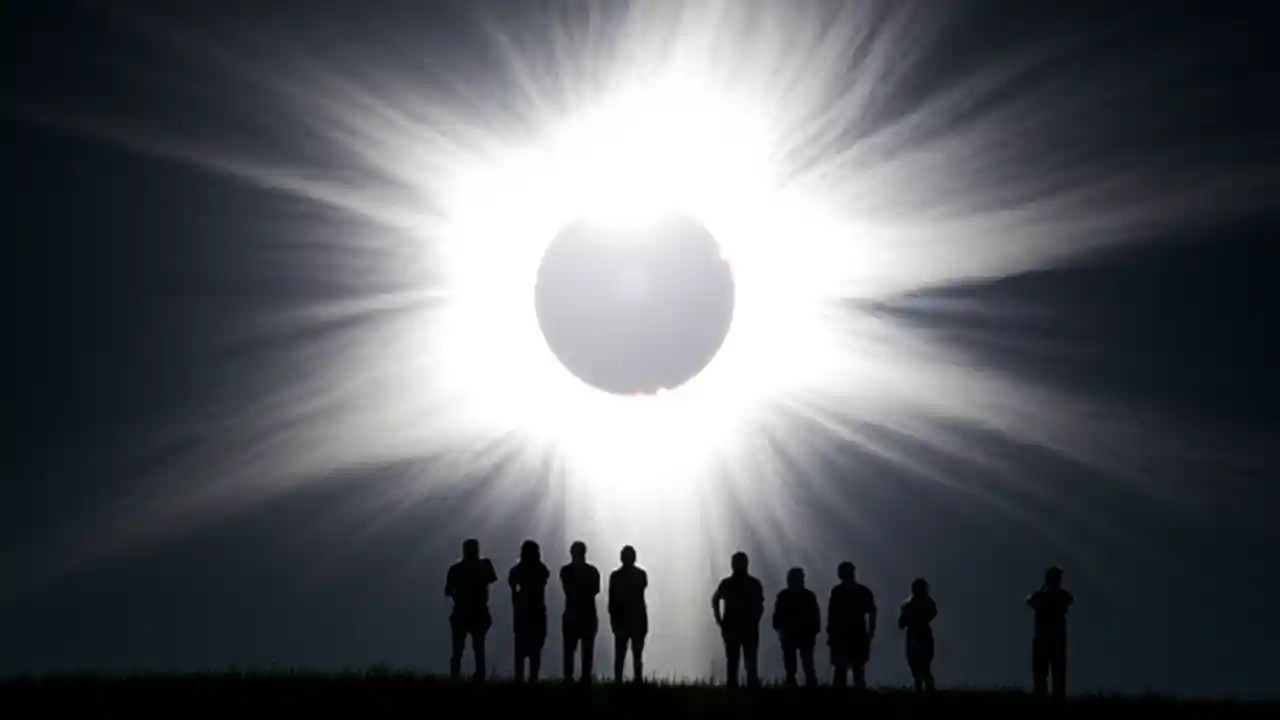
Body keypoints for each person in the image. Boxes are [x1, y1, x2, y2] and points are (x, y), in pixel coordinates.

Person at [444, 538, 498, 681]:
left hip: (474, 611)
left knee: (470, 648)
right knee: (468, 648)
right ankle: (461, 677)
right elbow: (449, 590)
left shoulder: (479, 566)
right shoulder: (460, 569)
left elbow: (448, 590)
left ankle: (466, 677)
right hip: (467, 612)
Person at [711, 551, 765, 688]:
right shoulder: (745, 583)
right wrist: (719, 620)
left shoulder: (749, 583)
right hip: (736, 628)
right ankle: (740, 691)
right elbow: (715, 600)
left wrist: (719, 620)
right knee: (736, 662)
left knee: (744, 663)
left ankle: (743, 691)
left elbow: (760, 605)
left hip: (744, 628)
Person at [1026, 566, 1073, 700]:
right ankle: (1056, 700)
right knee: (1056, 673)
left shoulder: (1040, 595)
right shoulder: (1062, 595)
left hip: (1043, 638)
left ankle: (1042, 699)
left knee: (1042, 674)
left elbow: (1030, 603)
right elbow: (1069, 601)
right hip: (1056, 639)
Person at [827, 561, 877, 688]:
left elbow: (872, 613)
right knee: (842, 671)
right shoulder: (839, 592)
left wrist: (870, 631)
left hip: (855, 635)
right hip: (844, 635)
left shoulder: (861, 592)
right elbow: (832, 615)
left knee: (856, 670)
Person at [509, 539, 550, 683]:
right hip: (534, 613)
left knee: (524, 649)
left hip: (526, 612)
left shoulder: (519, 570)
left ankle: (522, 678)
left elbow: (513, 587)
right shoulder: (540, 569)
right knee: (534, 649)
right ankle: (531, 678)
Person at [560, 540, 601, 684]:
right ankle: (583, 678)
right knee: (584, 650)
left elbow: (569, 590)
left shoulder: (566, 571)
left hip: (575, 615)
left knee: (572, 650)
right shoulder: (592, 571)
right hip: (586, 615)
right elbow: (594, 590)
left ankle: (571, 678)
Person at [772, 567, 821, 687]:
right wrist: (779, 628)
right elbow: (777, 615)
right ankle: (792, 682)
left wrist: (814, 630)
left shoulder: (808, 596)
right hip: (790, 634)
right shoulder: (784, 596)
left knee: (807, 662)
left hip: (805, 634)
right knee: (790, 662)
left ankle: (810, 683)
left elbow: (815, 615)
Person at [608, 545, 649, 683]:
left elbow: (612, 600)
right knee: (634, 653)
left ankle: (620, 680)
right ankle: (636, 680)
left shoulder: (616, 576)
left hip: (626, 619)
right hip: (633, 618)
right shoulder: (640, 575)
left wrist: (613, 619)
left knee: (622, 654)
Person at [898, 577, 937, 693]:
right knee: (916, 666)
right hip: (915, 634)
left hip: (921, 634)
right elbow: (902, 622)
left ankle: (927, 690)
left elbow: (932, 613)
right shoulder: (909, 603)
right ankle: (920, 690)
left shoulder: (923, 602)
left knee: (923, 666)